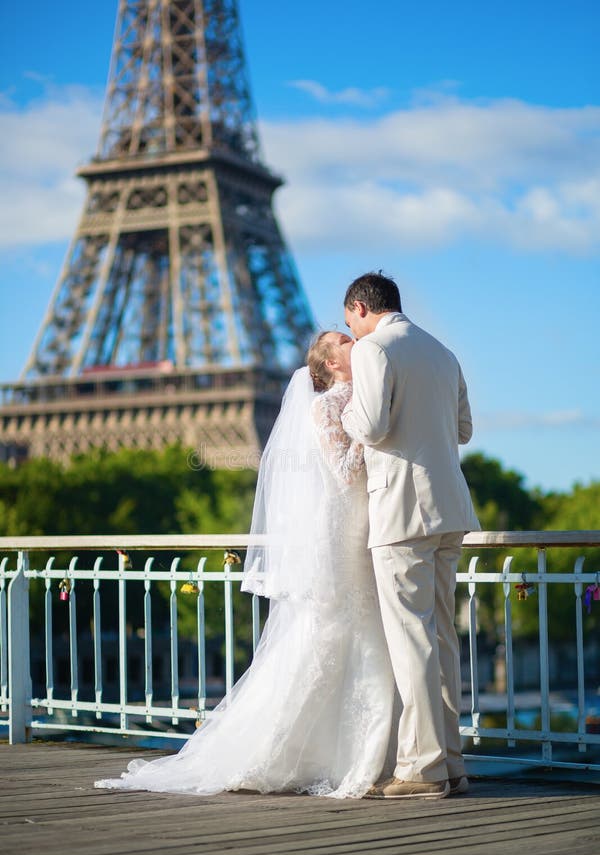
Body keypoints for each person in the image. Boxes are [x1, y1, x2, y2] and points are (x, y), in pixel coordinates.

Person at [95, 332, 395, 798]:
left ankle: (363, 751)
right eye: (341, 340)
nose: (351, 339)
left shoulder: (362, 397)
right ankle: (294, 753)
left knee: (357, 636)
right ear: (331, 363)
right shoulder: (326, 408)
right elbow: (344, 473)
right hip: (339, 534)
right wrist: (371, 432)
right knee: (333, 633)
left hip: (360, 528)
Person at [341, 272, 480, 799]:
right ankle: (450, 761)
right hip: (450, 507)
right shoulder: (444, 353)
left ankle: (421, 769)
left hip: (402, 508)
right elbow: (463, 431)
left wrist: (349, 404)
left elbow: (372, 424)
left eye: (348, 321)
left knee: (412, 640)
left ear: (359, 308)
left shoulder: (372, 350)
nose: (349, 332)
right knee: (442, 637)